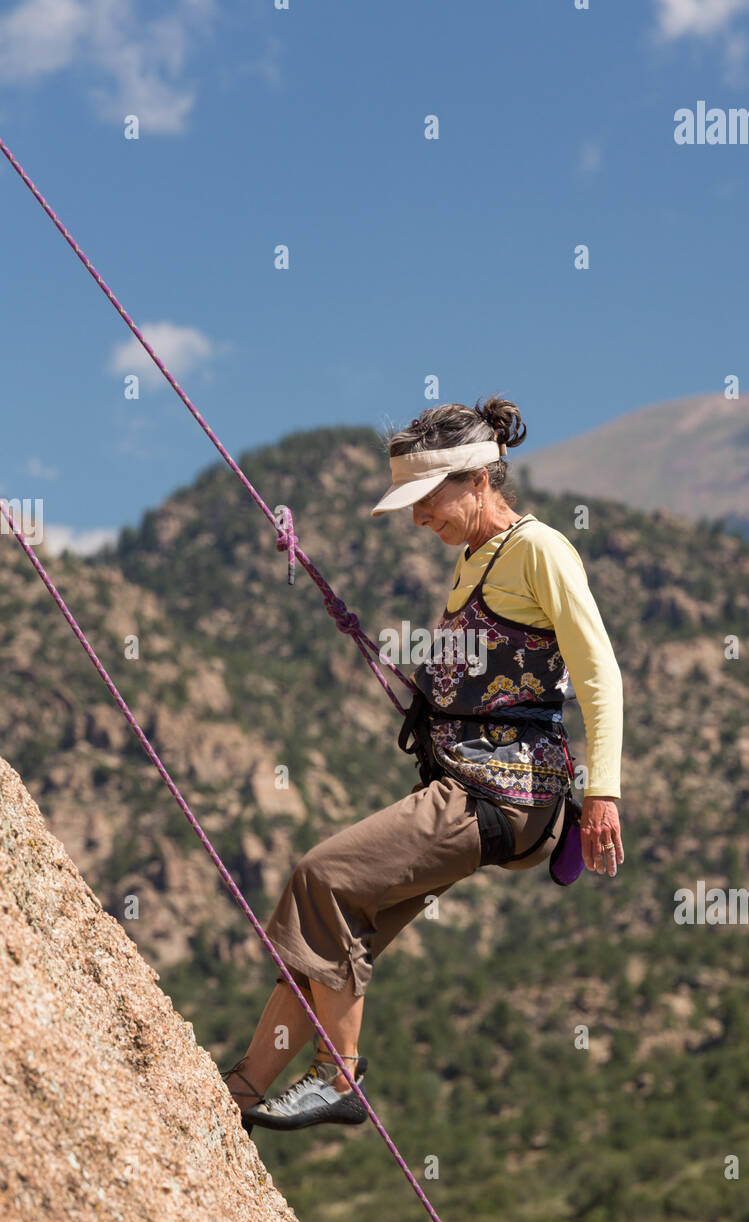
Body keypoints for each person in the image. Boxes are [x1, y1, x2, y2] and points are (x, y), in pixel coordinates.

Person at [223, 396, 624, 1133]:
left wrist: (603, 794)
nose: (417, 520)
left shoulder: (539, 550)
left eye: (426, 500)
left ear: (477, 480)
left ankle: (337, 1077)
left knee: (324, 878)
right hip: (479, 787)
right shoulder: (478, 560)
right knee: (331, 940)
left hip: (502, 793)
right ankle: (246, 1087)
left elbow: (598, 671)